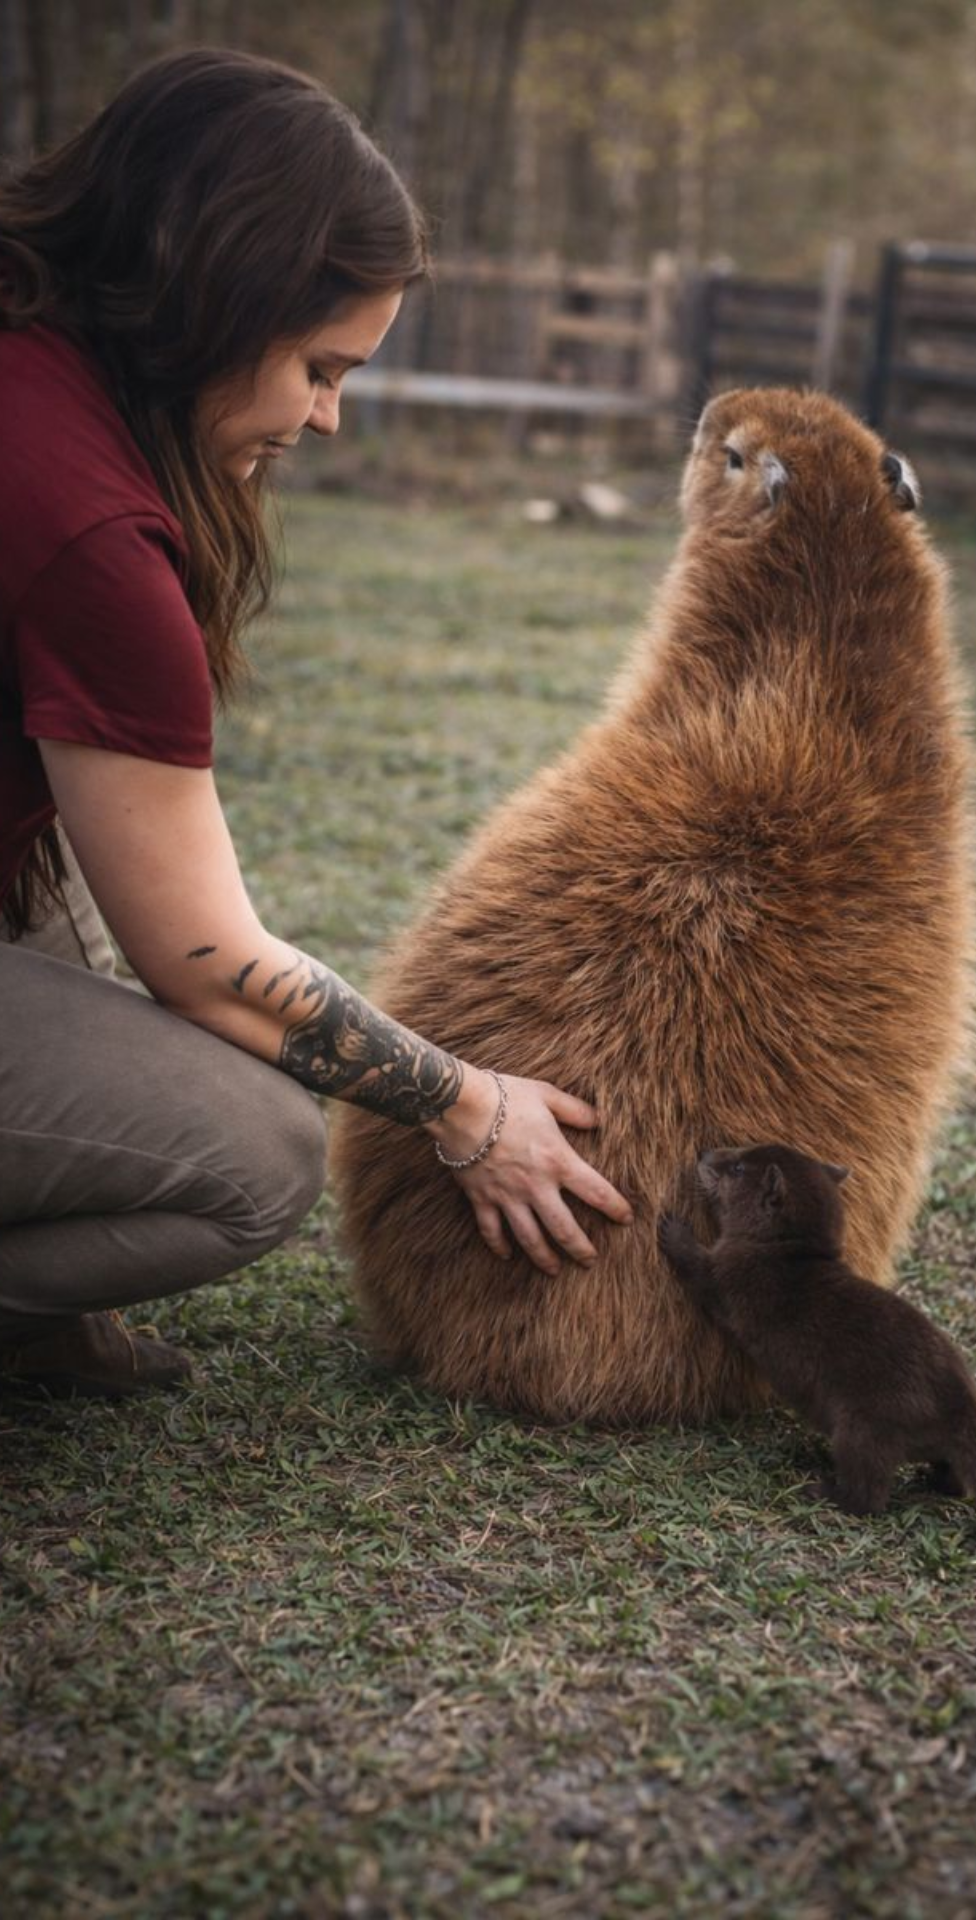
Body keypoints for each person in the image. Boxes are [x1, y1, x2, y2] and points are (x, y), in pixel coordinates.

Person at [0, 48, 632, 1398]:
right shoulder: (90, 531)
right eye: (318, 365)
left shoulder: (29, 353)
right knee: (251, 1149)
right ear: (216, 301)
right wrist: (468, 1106)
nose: (329, 417)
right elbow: (207, 958)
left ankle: (46, 1324)